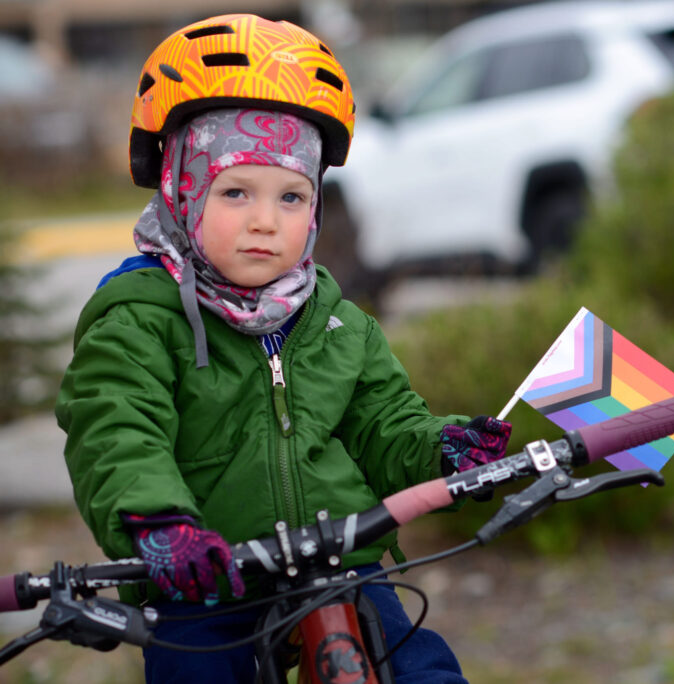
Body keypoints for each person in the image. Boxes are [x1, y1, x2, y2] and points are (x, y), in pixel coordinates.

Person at [55, 13, 511, 684]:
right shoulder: (137, 317)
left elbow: (385, 424)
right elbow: (116, 425)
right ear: (180, 188)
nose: (266, 221)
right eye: (236, 191)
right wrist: (157, 521)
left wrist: (439, 448)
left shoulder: (336, 321)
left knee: (423, 669)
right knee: (197, 674)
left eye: (291, 196)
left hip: (340, 561)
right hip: (208, 575)